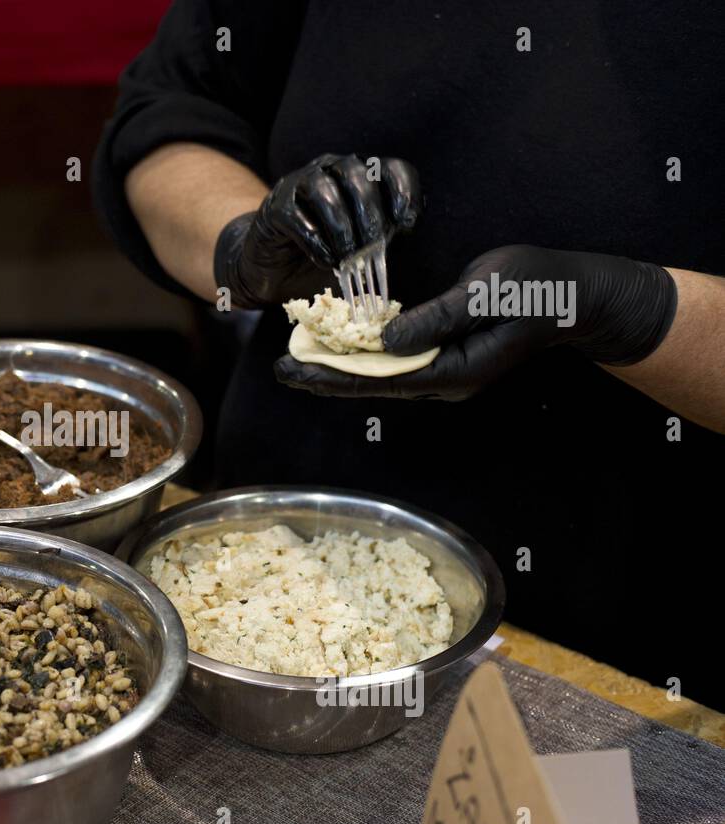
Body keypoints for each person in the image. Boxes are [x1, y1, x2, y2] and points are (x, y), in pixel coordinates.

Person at [93, 1, 725, 706]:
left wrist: (631, 310)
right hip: (280, 587)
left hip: (638, 640)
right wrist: (241, 246)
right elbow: (171, 116)